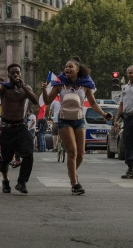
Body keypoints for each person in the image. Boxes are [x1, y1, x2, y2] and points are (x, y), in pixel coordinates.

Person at [42, 57, 112, 195]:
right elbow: (47, 100)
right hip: (64, 120)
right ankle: (75, 184)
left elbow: (92, 103)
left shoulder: (86, 84)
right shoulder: (59, 84)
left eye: (70, 67)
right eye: (66, 67)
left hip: (79, 120)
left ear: (77, 69)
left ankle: (71, 173)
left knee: (81, 154)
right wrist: (44, 90)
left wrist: (104, 114)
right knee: (72, 151)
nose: (67, 69)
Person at [0, 64, 39, 194]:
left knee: (28, 154)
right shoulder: (4, 88)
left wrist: (24, 87)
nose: (15, 74)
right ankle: (5, 180)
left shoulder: (25, 88)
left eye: (18, 72)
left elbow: (35, 101)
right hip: (7, 127)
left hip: (21, 126)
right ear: (8, 74)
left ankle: (22, 182)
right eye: (13, 72)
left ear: (20, 74)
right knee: (5, 159)